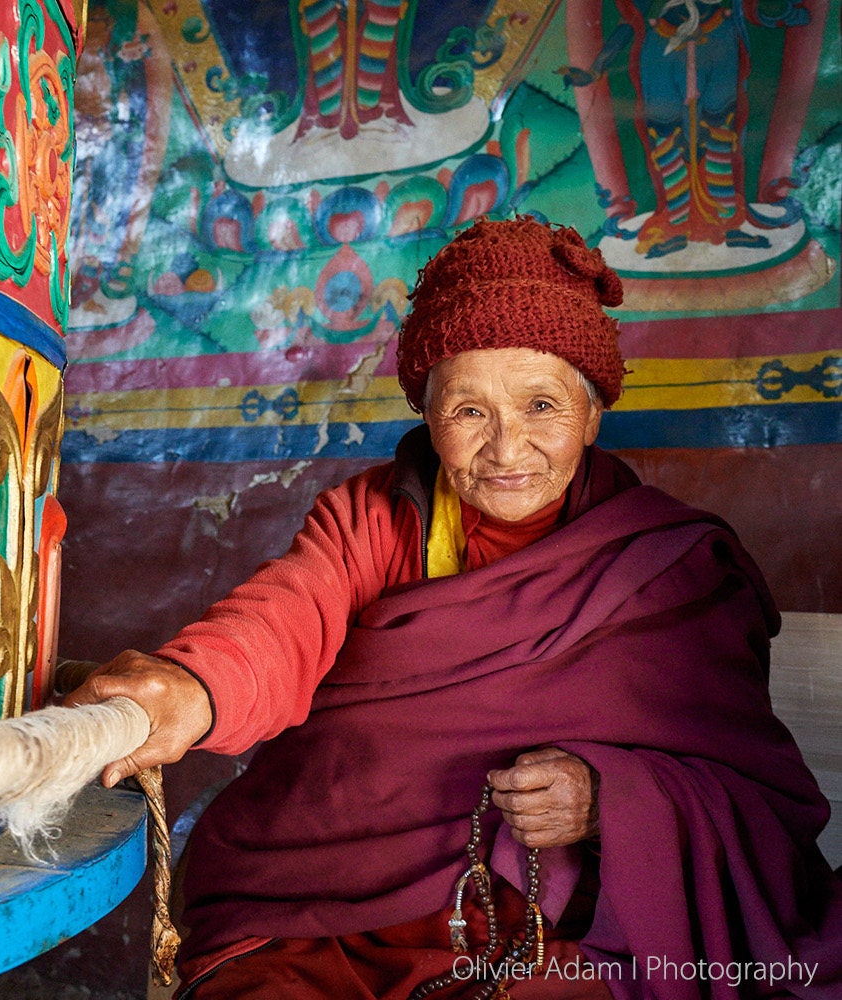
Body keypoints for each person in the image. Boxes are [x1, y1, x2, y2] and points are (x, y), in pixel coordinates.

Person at [63, 217, 842, 999]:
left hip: (548, 930)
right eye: (469, 411)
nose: (505, 451)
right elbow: (284, 620)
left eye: (541, 406)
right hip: (321, 911)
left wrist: (613, 801)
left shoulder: (676, 568)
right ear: (428, 415)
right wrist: (194, 688)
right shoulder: (373, 518)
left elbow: (752, 800)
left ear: (595, 410)